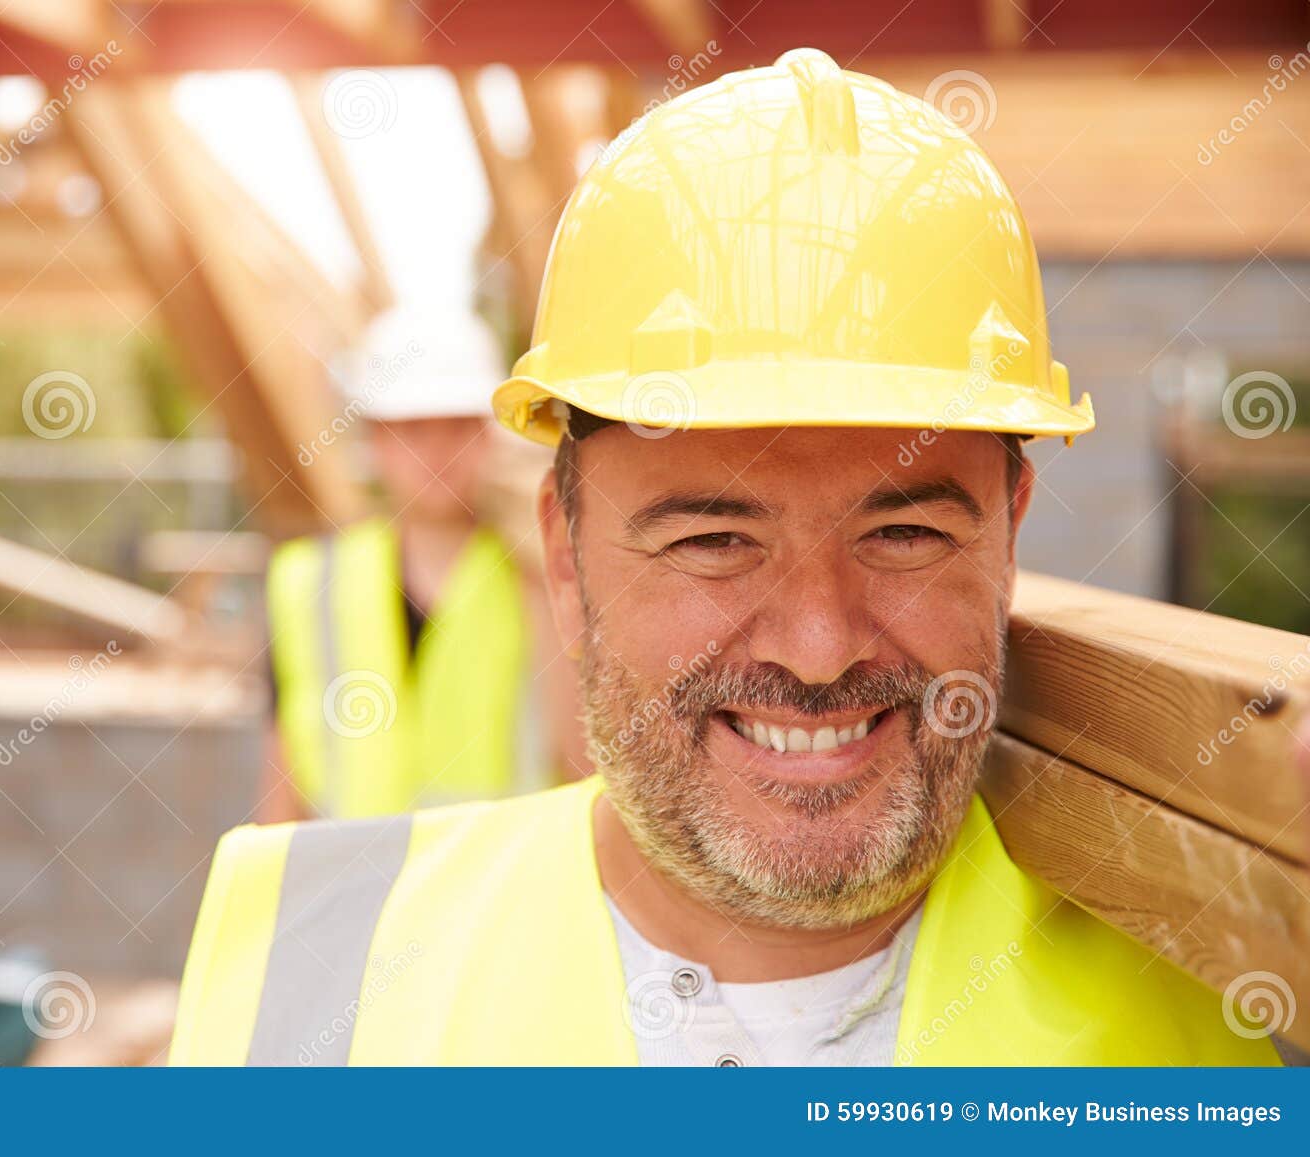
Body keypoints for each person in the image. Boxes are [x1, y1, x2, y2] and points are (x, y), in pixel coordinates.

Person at [173, 49, 1279, 1065]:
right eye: (712, 540)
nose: (814, 647)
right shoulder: (310, 974)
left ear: (1009, 537)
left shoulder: (1218, 996)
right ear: (566, 561)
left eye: (902, 534)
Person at [256, 305, 580, 823]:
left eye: (455, 427)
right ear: (375, 439)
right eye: (413, 429)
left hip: (496, 896)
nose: (436, 452)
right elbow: (284, 783)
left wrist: (552, 571)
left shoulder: (535, 573)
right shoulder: (308, 582)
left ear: (488, 434)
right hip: (357, 896)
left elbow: (580, 766)